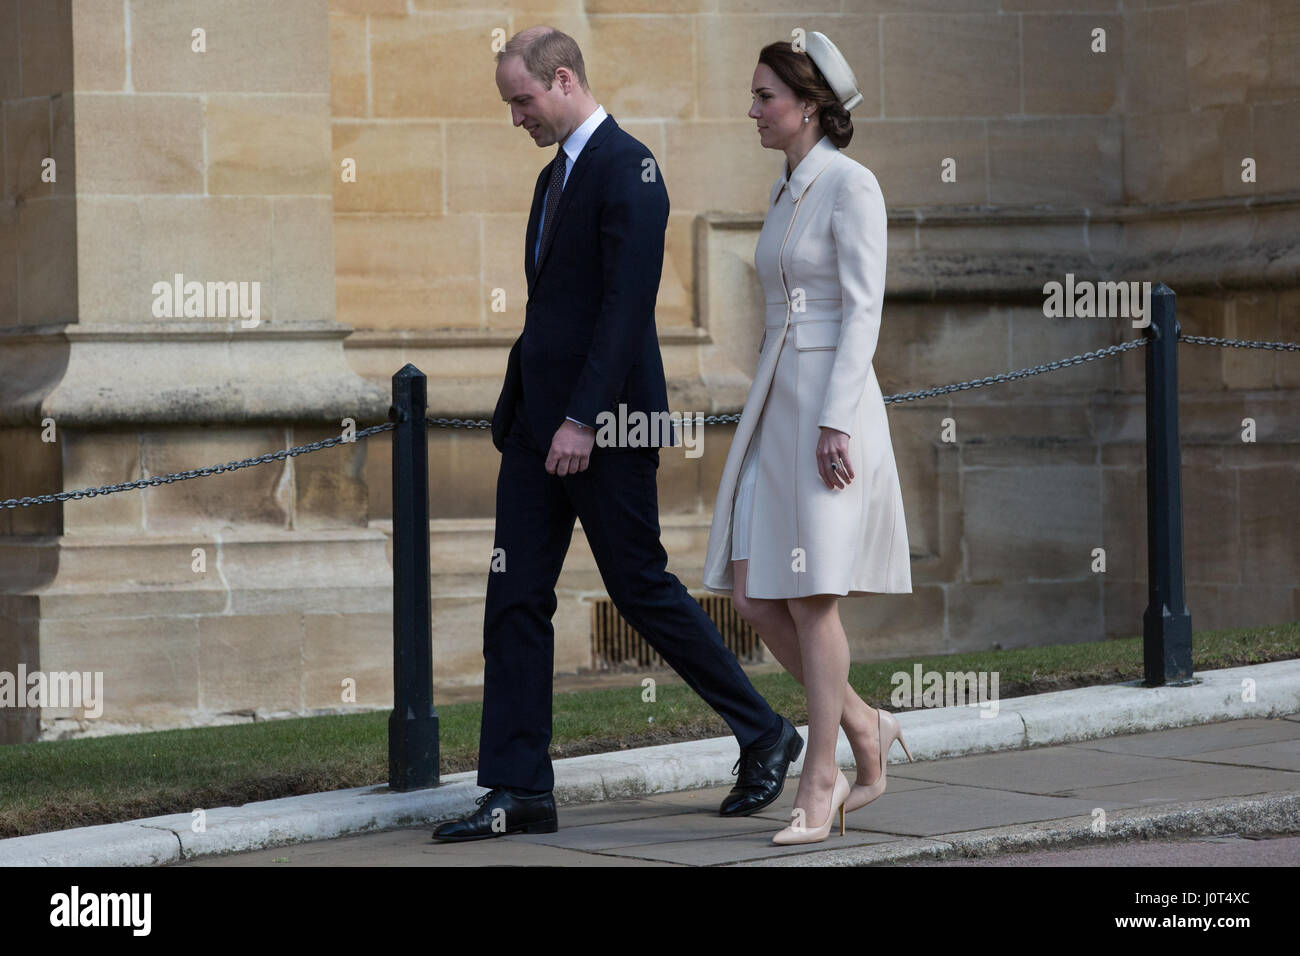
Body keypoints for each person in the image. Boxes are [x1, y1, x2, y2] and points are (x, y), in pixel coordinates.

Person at [433, 26, 802, 843]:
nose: (517, 118)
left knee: (640, 588)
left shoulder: (632, 172)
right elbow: (548, 313)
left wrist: (582, 419)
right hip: (537, 433)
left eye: (522, 101)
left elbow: (624, 311)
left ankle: (765, 730)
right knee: (515, 599)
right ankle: (519, 787)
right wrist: (528, 415)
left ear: (562, 79)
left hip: (606, 427)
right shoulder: (550, 181)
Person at [700, 33, 914, 845]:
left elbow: (862, 308)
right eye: (754, 96)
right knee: (755, 592)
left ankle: (819, 779)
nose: (752, 110)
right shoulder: (786, 187)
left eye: (765, 97)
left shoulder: (851, 185)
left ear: (812, 104)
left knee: (812, 593)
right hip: (775, 402)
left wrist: (833, 418)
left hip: (833, 407)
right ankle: (866, 726)